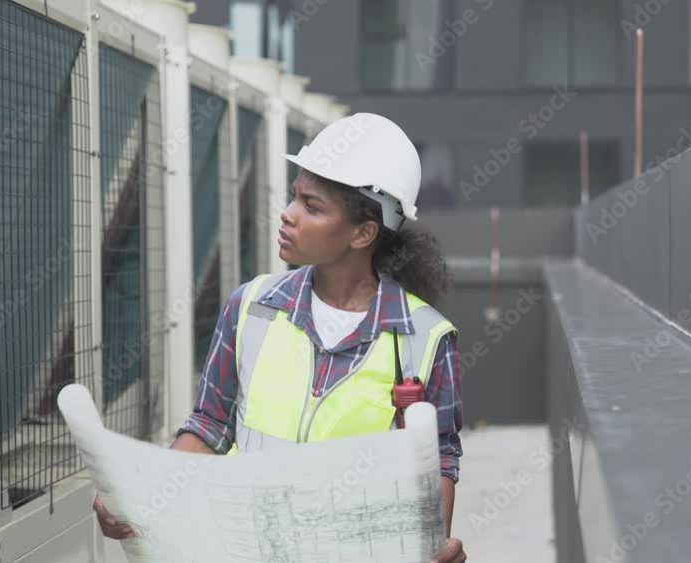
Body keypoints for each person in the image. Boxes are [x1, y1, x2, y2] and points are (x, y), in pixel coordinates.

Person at [94, 113, 466, 563]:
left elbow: (438, 461)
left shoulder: (425, 340)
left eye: (312, 206)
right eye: (294, 198)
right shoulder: (250, 307)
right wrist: (147, 495)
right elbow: (211, 425)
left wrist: (431, 547)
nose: (287, 215)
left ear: (363, 232)